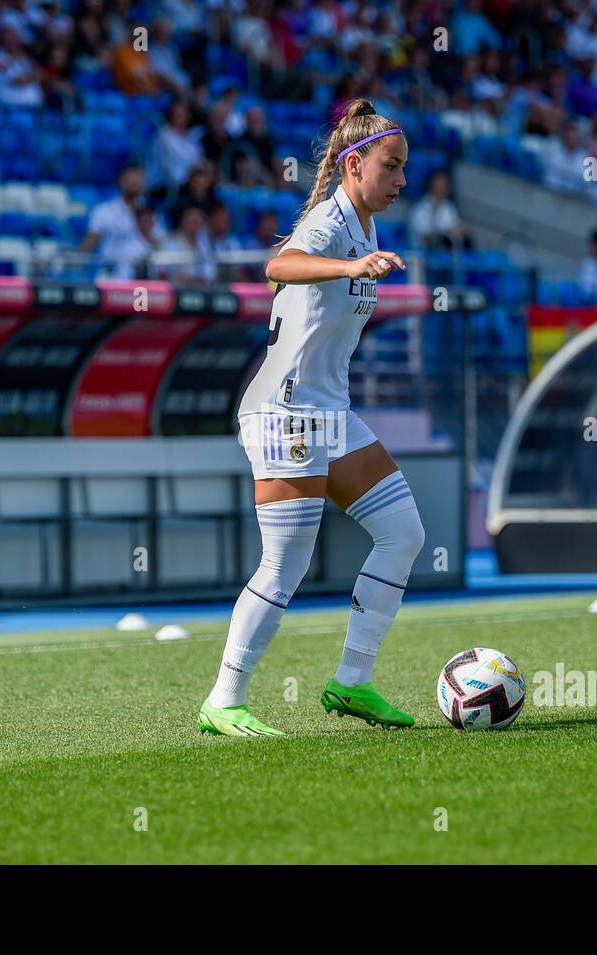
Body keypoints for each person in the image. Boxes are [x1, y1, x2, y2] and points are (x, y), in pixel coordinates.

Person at [198, 99, 418, 738]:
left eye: (404, 168)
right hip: (285, 411)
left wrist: (357, 262)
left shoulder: (366, 224)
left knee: (403, 531)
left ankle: (352, 682)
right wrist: (350, 267)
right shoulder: (331, 222)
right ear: (355, 164)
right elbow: (279, 266)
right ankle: (225, 699)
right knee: (286, 562)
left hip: (330, 411)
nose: (401, 180)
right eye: (392, 167)